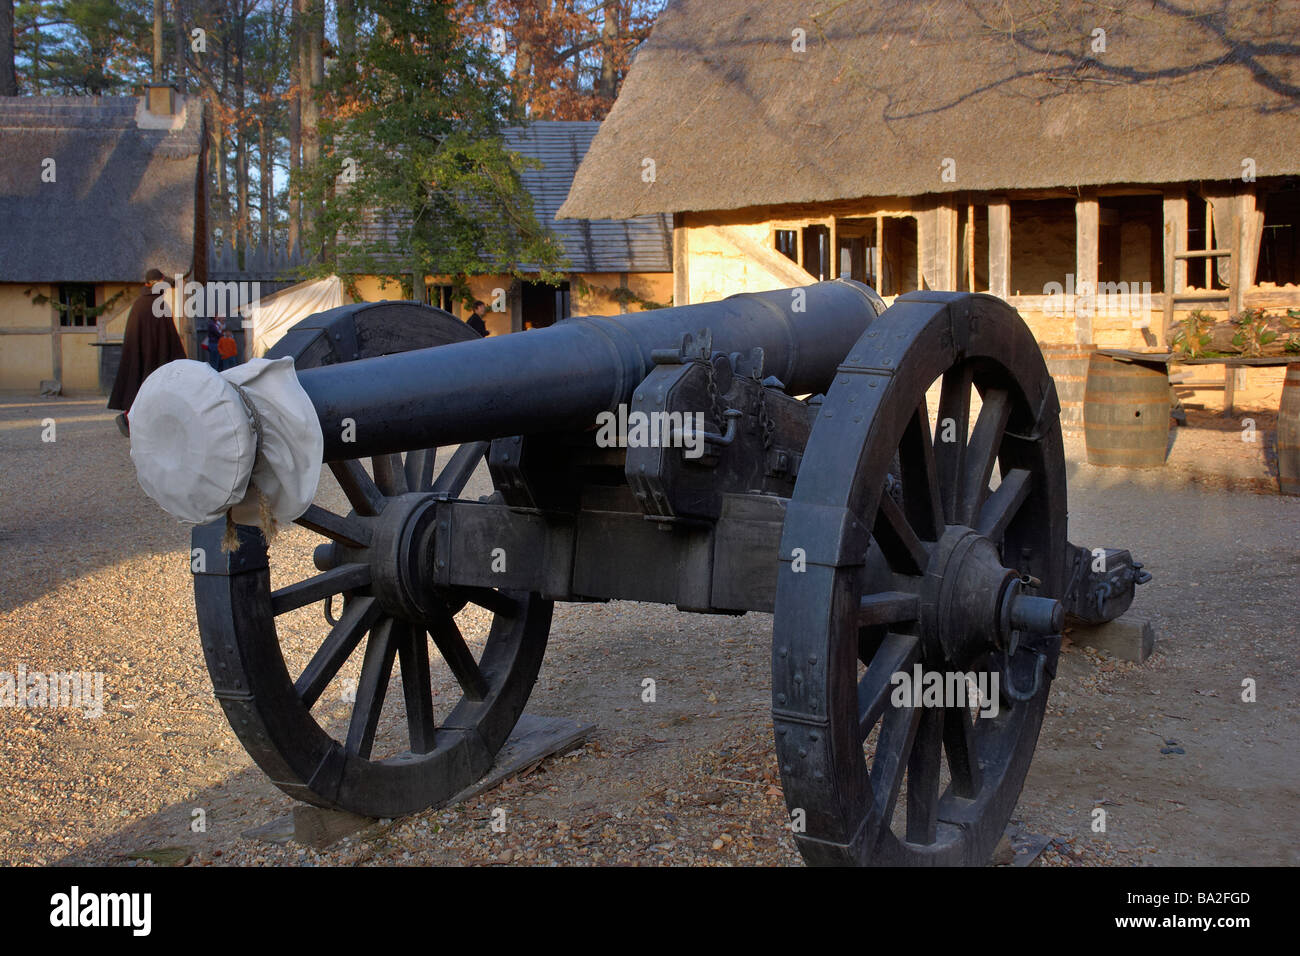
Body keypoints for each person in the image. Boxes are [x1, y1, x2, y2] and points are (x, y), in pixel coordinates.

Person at [108, 268, 187, 436]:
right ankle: (130, 419)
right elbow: (169, 336)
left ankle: (133, 419)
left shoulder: (138, 304)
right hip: (157, 357)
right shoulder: (158, 305)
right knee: (153, 389)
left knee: (139, 386)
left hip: (143, 355)